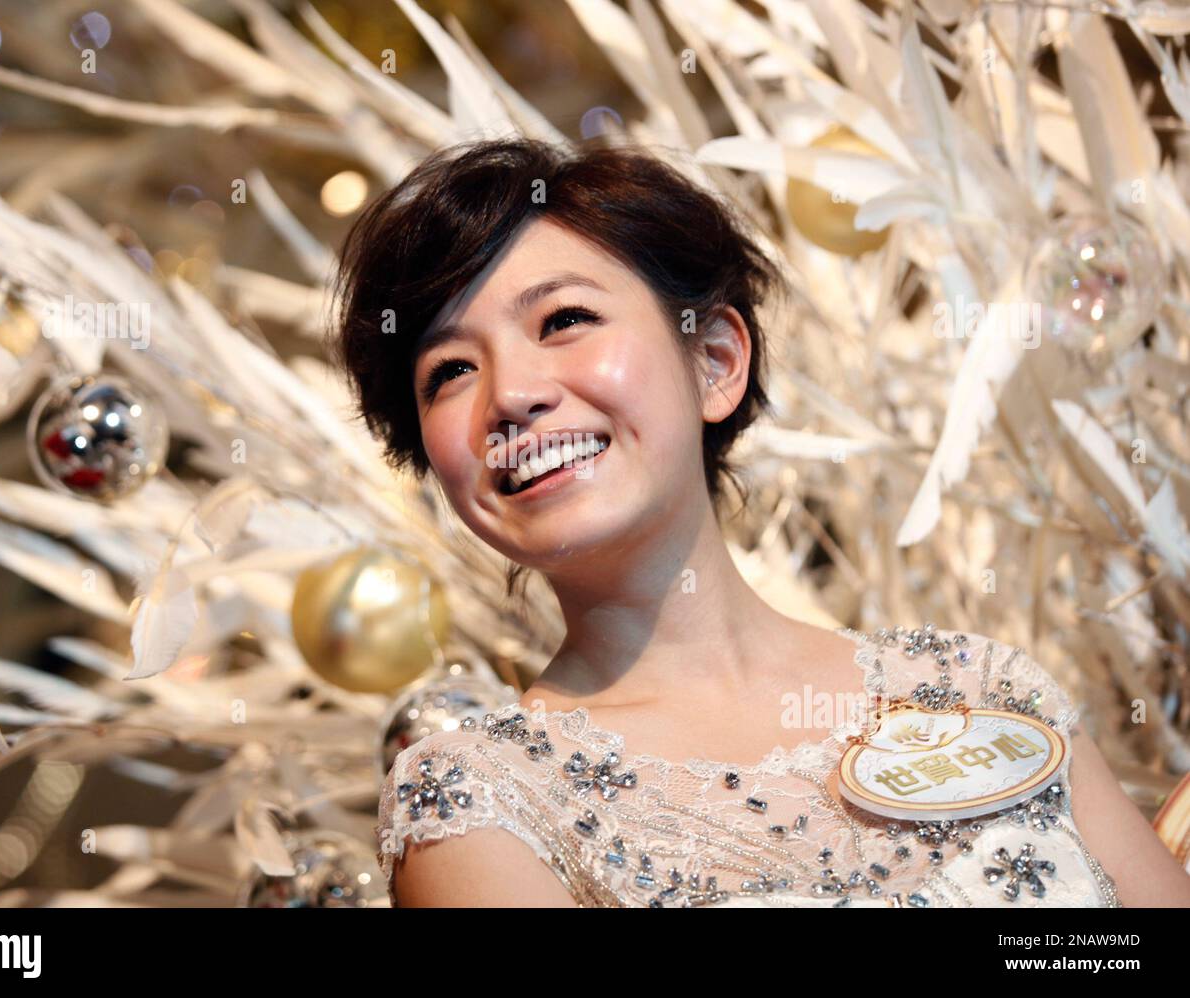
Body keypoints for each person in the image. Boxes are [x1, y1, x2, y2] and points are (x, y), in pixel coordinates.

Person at [334, 137, 1190, 908]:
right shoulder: (475, 800)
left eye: (564, 320)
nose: (512, 395)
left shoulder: (979, 687)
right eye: (448, 371)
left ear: (714, 363)